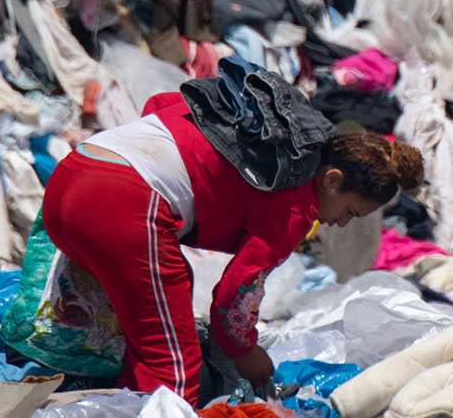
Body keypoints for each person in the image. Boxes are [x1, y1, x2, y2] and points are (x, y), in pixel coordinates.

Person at [42, 91, 424, 402]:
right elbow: (232, 300)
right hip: (120, 204)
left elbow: (159, 102)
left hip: (70, 179)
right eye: (350, 212)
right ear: (332, 179)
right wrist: (247, 354)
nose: (340, 223)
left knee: (164, 303)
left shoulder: (271, 139)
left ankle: (121, 400)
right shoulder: (295, 204)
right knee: (174, 371)